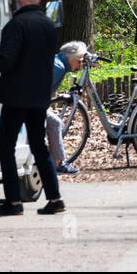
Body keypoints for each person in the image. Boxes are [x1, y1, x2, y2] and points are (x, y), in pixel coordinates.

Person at [0, 0, 64, 216]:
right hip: (39, 96)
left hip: (16, 97)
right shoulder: (49, 25)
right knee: (39, 146)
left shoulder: (15, 25)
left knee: (5, 147)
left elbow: (8, 61)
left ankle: (13, 202)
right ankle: (55, 198)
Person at [47, 41, 87, 175]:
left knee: (54, 122)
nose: (80, 65)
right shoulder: (58, 68)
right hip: (31, 105)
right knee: (54, 123)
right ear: (70, 57)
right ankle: (58, 163)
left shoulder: (56, 61)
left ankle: (57, 162)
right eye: (79, 61)